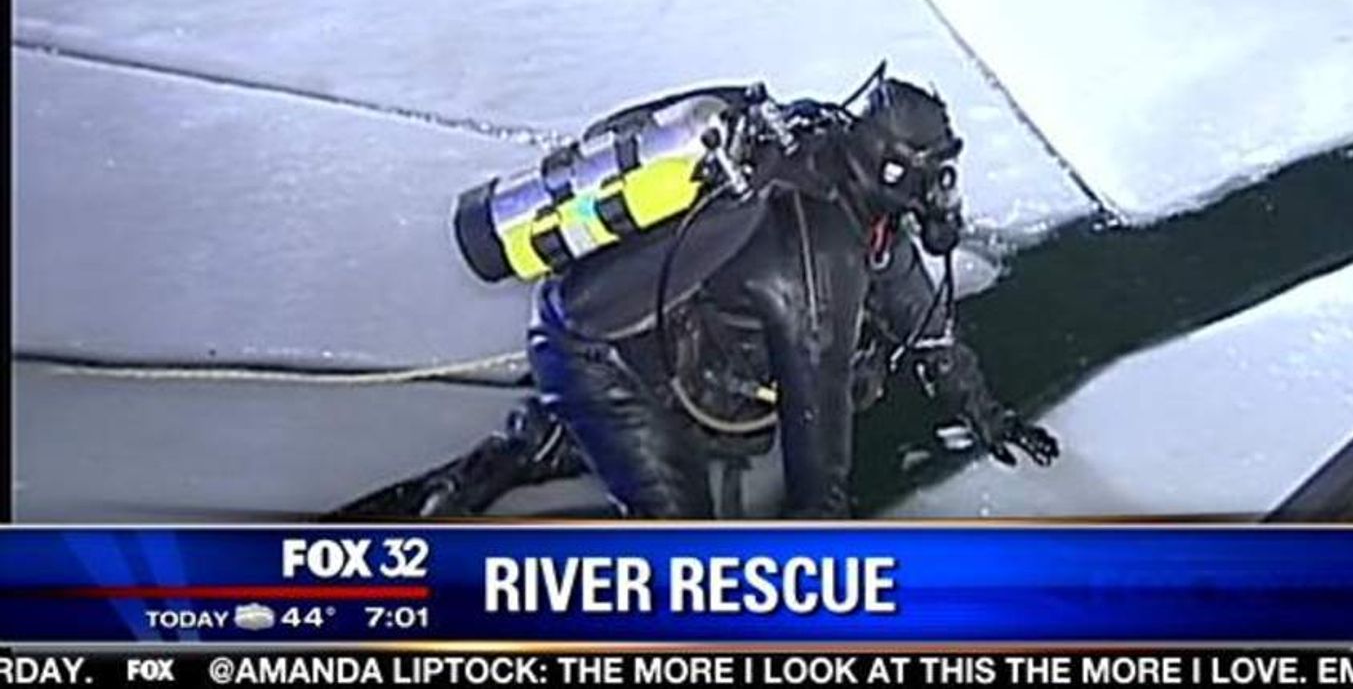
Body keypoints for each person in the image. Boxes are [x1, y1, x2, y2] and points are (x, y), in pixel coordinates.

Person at [340, 66, 1058, 519]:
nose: (945, 193)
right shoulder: (820, 253)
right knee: (683, 551)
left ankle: (492, 468)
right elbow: (820, 450)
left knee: (640, 428)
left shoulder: (836, 166)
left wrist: (985, 411)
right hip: (603, 356)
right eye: (936, 174)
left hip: (639, 328)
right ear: (893, 172)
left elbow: (917, 313)